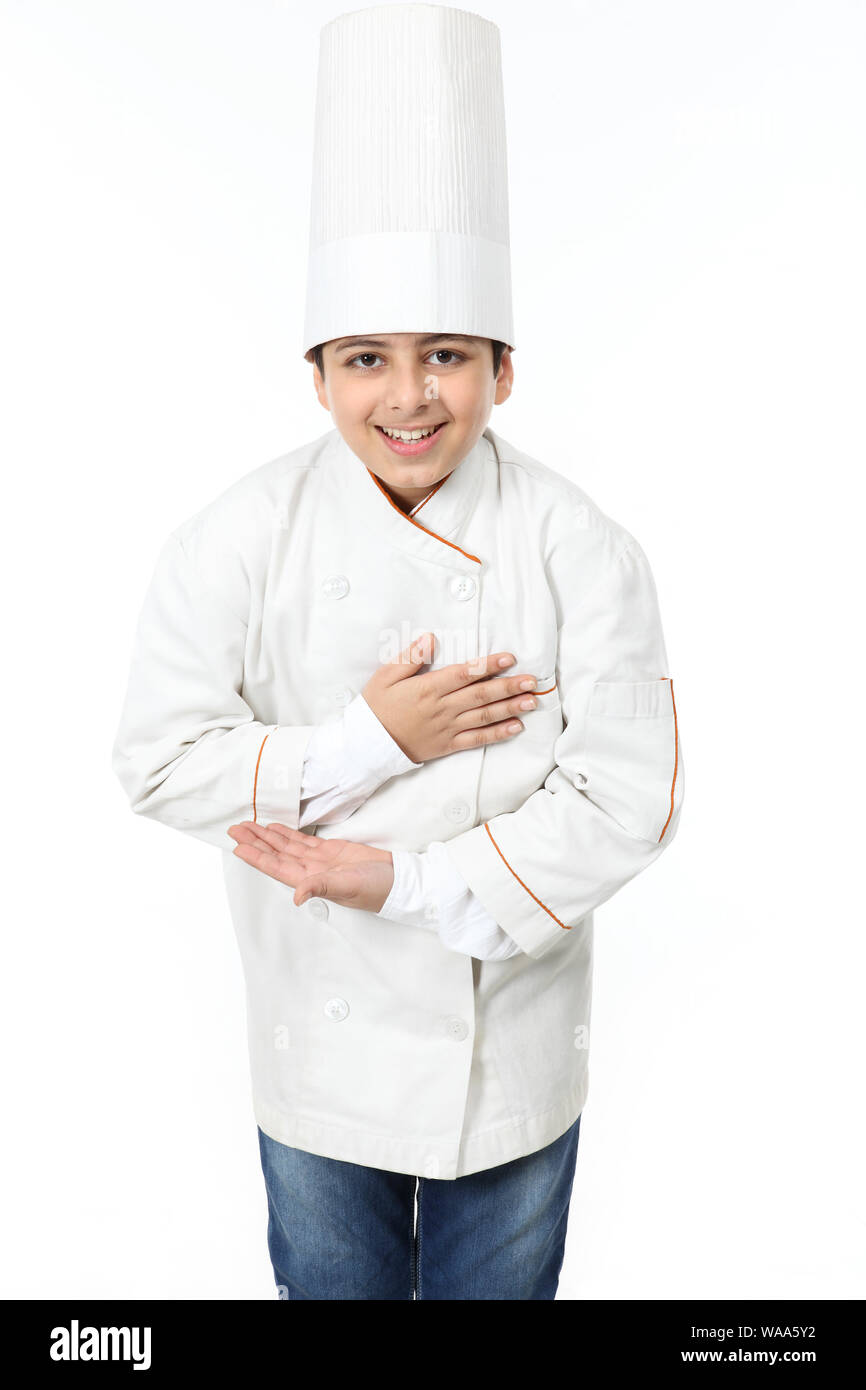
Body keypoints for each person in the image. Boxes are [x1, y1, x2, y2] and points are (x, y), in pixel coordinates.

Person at [111, 4, 684, 1301]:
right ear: (317, 375)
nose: (409, 395)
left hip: (510, 1035)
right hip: (314, 1037)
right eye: (367, 357)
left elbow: (628, 791)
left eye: (448, 356)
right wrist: (372, 740)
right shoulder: (236, 536)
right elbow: (155, 761)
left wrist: (406, 881)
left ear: (503, 370)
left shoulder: (578, 545)